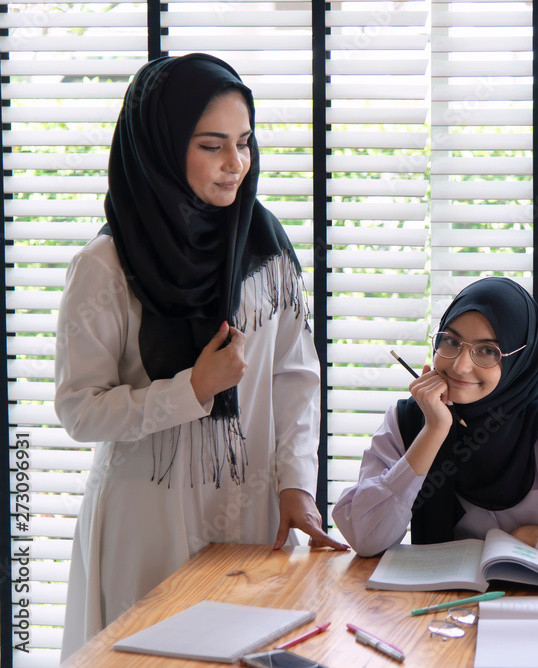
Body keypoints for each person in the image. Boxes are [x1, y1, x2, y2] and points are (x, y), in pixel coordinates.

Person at [55, 54, 347, 661]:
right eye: (212, 145)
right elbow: (80, 411)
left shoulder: (268, 252)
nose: (235, 164)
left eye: (243, 142)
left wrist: (297, 486)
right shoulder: (105, 268)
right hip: (147, 521)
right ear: (160, 147)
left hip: (252, 514)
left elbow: (298, 377)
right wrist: (191, 388)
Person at [332, 276, 538, 557]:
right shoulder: (407, 421)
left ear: (519, 361)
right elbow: (366, 539)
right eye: (451, 341)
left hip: (530, 605)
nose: (459, 365)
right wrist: (432, 432)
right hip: (432, 604)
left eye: (488, 350)